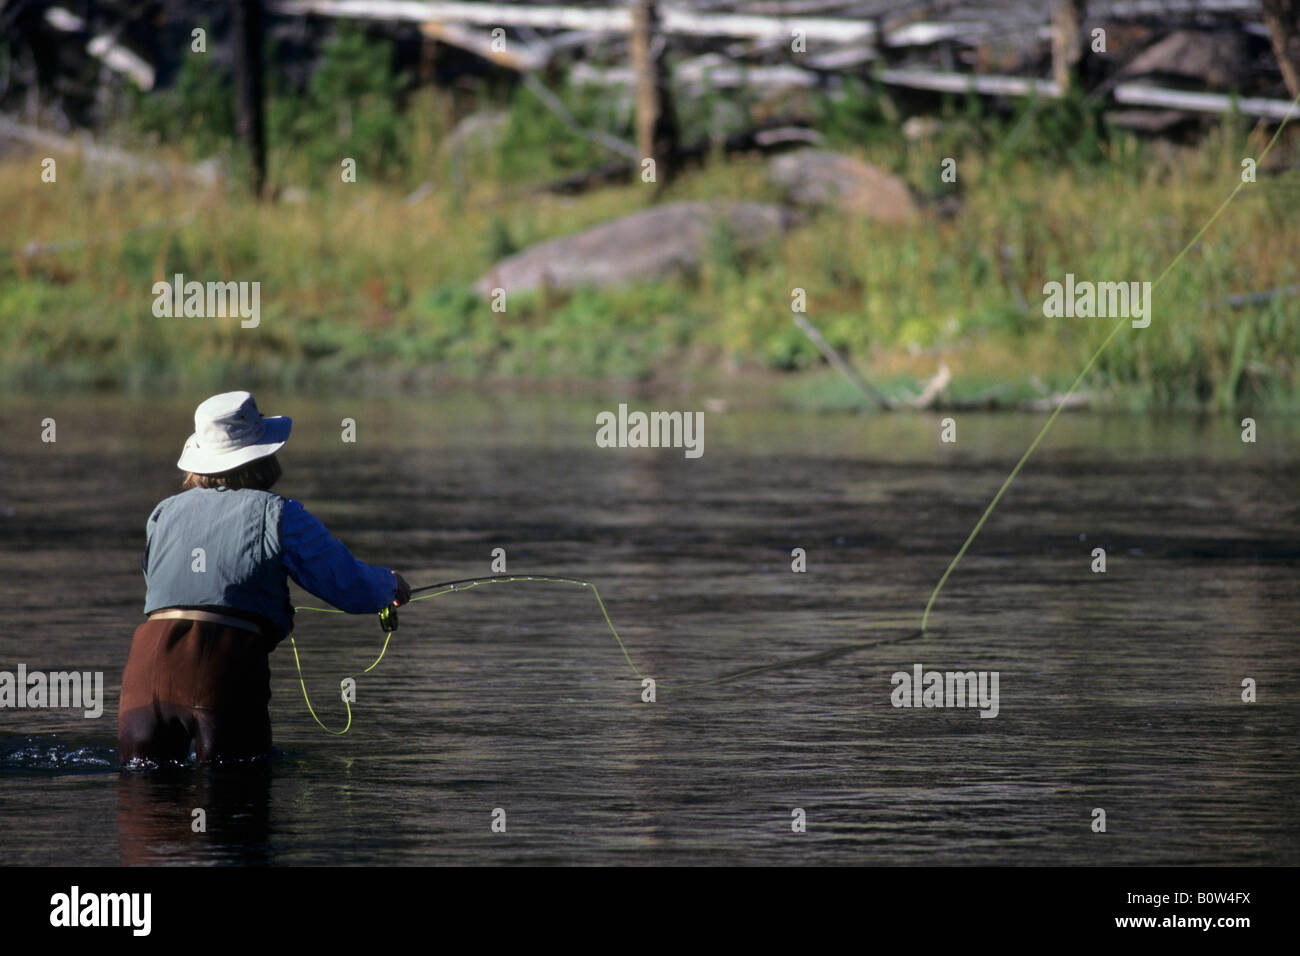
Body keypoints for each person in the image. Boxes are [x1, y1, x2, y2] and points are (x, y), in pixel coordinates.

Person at [118, 391, 410, 765]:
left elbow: (161, 585)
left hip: (145, 672)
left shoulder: (162, 514)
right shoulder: (280, 514)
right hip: (223, 668)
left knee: (148, 808)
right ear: (262, 455)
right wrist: (390, 586)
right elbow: (346, 584)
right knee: (236, 801)